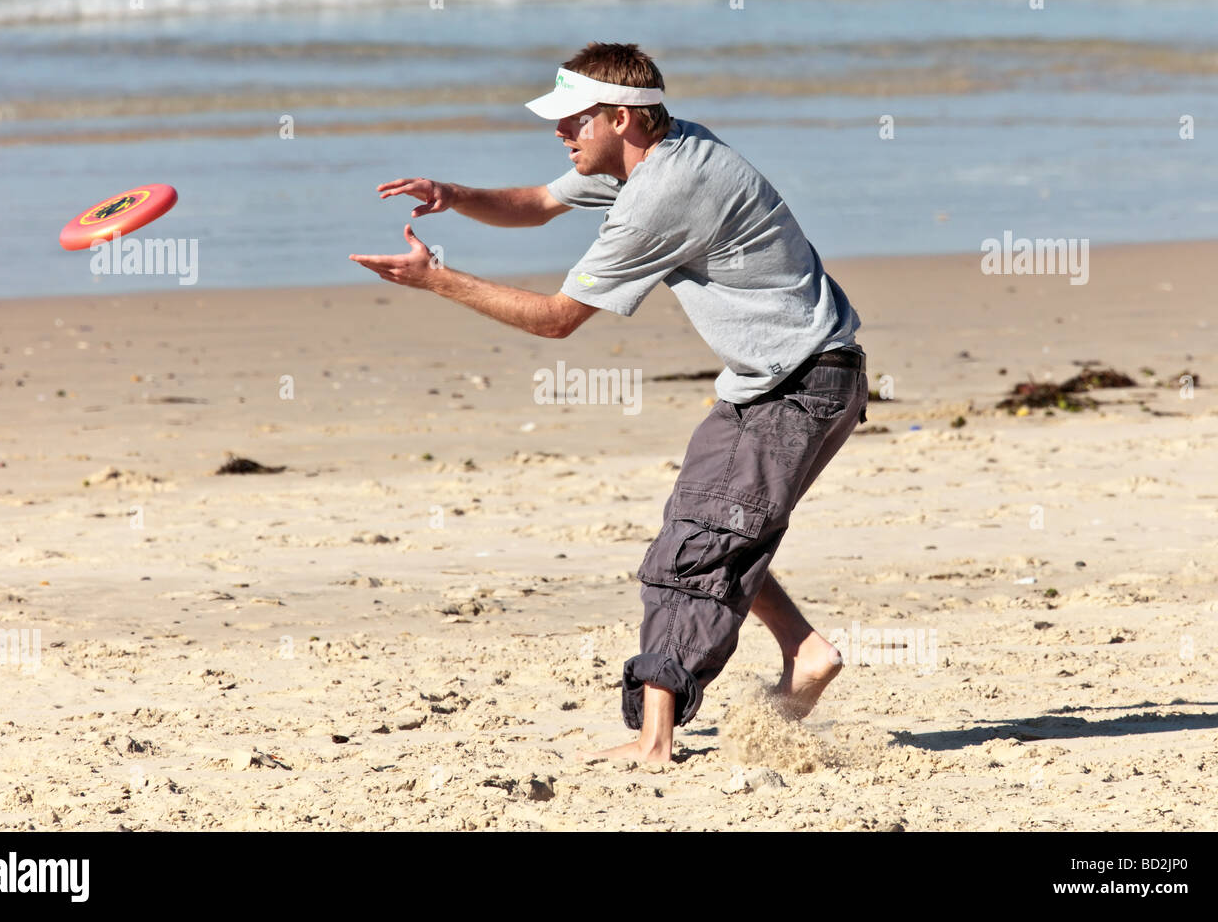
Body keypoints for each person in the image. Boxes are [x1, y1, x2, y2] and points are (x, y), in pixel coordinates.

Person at [350, 42, 867, 764]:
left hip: (798, 384)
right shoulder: (662, 148)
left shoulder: (662, 194)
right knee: (713, 531)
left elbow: (557, 318)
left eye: (574, 121)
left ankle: (655, 739)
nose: (561, 134)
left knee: (691, 550)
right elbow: (536, 204)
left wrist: (438, 280)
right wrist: (455, 196)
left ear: (622, 118)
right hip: (796, 376)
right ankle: (804, 649)